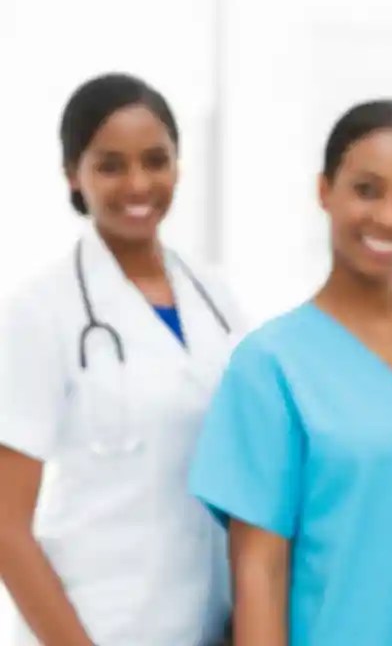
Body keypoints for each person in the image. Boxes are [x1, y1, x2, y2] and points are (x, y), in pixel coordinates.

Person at [188, 99, 392, 645]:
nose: (388, 217)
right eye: (366, 189)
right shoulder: (272, 367)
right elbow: (259, 574)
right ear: (324, 191)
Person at [0, 73, 243, 645]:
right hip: (98, 625)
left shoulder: (218, 299)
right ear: (73, 175)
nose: (138, 183)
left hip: (207, 625)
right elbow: (6, 528)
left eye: (156, 160)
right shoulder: (42, 311)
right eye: (111, 165)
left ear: (178, 166)